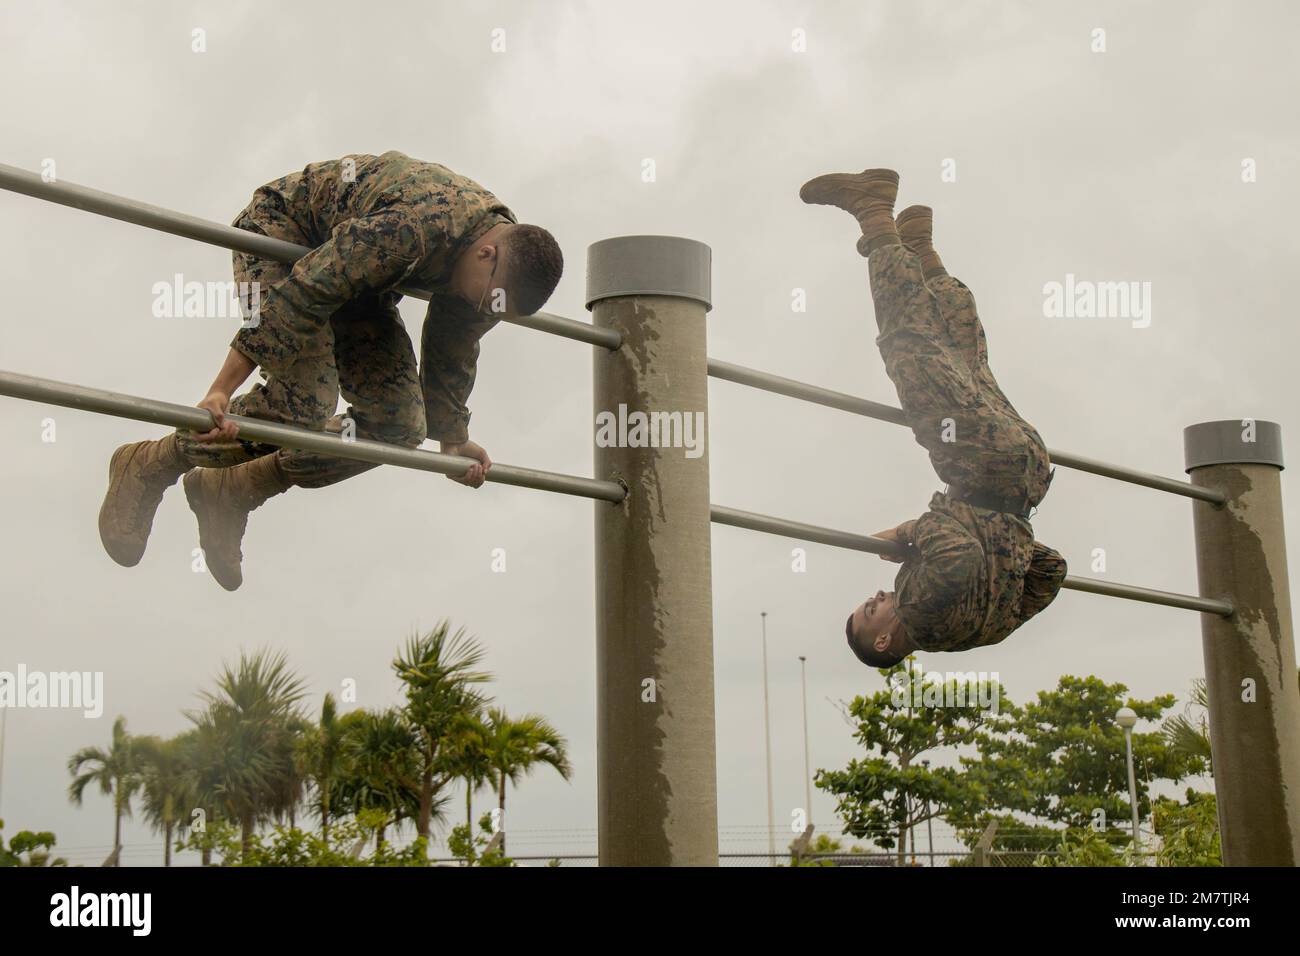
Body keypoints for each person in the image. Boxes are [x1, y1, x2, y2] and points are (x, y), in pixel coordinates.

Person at [98, 150, 563, 590]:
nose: (485, 308)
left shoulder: (497, 274)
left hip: (363, 277)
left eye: (498, 309)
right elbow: (307, 292)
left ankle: (237, 486)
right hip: (286, 235)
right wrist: (221, 390)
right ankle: (151, 462)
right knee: (304, 403)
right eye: (488, 300)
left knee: (399, 427)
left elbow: (454, 343)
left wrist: (452, 436)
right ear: (485, 253)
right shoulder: (415, 228)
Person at [799, 168, 1067, 666]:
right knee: (911, 349)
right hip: (982, 469)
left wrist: (1005, 547)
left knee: (965, 364)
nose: (876, 599)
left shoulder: (979, 635)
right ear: (882, 642)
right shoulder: (920, 616)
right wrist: (908, 533)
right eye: (869, 611)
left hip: (1024, 475)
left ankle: (921, 253)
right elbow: (959, 556)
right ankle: (873, 211)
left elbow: (1050, 570)